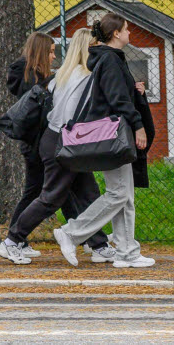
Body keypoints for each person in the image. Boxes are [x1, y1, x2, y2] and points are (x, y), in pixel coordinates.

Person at [49, 14, 153, 268]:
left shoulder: (107, 58)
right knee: (119, 193)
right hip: (114, 133)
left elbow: (116, 94)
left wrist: (135, 91)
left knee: (124, 194)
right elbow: (117, 99)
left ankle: (127, 251)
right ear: (116, 33)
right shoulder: (109, 59)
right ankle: (71, 232)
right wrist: (138, 125)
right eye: (126, 29)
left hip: (112, 133)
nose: (129, 33)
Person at [1, 29, 108, 263]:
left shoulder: (59, 76)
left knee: (81, 192)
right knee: (47, 195)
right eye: (49, 52)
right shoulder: (44, 76)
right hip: (49, 142)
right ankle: (14, 240)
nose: (53, 56)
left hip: (58, 141)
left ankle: (95, 242)